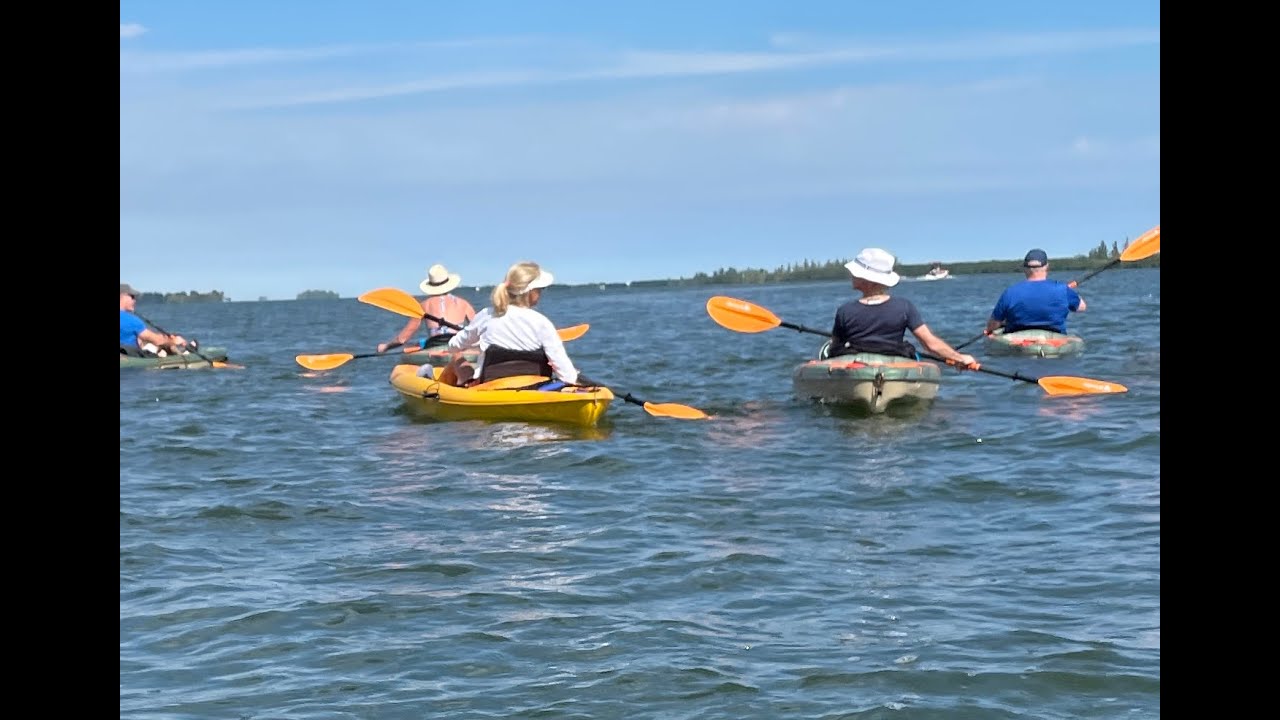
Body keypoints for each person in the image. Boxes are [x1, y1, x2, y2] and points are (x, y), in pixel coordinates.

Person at [438, 261, 592, 387]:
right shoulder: (542, 322)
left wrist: (468, 344)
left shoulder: (485, 315)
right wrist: (575, 379)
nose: (541, 293)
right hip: (534, 387)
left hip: (489, 387)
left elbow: (454, 345)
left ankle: (444, 387)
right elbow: (564, 369)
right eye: (540, 289)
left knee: (456, 358)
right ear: (530, 292)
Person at [828, 248, 978, 368]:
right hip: (894, 363)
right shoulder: (904, 307)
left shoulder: (845, 311)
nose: (851, 276)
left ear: (868, 280)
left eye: (855, 273)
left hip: (855, 364)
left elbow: (835, 348)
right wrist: (960, 358)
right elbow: (930, 344)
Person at [376, 264, 477, 354]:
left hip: (435, 345)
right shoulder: (464, 304)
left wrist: (386, 346)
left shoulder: (423, 305)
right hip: (458, 345)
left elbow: (402, 339)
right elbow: (478, 330)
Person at [983, 249, 1086, 335]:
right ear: (1047, 267)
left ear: (1025, 269)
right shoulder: (1062, 289)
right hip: (1053, 342)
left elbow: (993, 325)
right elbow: (1082, 307)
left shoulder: (1010, 292)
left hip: (1019, 343)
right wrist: (1067, 293)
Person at [120, 283, 188, 356]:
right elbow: (157, 340)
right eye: (132, 297)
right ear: (122, 296)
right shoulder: (131, 320)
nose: (135, 300)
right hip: (132, 358)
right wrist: (174, 341)